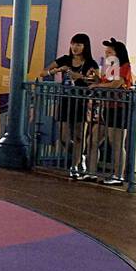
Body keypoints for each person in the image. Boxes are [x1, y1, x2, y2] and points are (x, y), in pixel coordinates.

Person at [41, 33, 99, 178]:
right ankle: (80, 155)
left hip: (81, 101)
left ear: (85, 46)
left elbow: (97, 81)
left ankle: (75, 165)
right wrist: (56, 70)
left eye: (79, 45)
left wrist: (80, 77)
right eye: (73, 44)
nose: (75, 47)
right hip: (65, 100)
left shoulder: (91, 63)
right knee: (63, 136)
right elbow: (43, 72)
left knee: (80, 134)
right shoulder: (64, 60)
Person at [90, 38, 134, 186]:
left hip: (119, 108)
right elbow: (106, 82)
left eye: (110, 52)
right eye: (106, 52)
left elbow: (116, 84)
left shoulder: (125, 66)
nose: (107, 55)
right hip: (106, 107)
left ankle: (118, 175)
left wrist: (99, 85)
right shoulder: (110, 68)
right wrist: (96, 80)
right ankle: (90, 171)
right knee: (94, 139)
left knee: (116, 142)